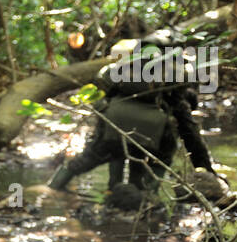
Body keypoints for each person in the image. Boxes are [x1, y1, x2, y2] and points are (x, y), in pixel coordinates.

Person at [47, 57, 219, 195]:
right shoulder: (176, 99)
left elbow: (103, 105)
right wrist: (207, 169)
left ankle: (50, 191)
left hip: (111, 136)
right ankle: (149, 198)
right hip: (152, 145)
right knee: (161, 159)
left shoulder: (123, 84)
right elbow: (192, 138)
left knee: (83, 162)